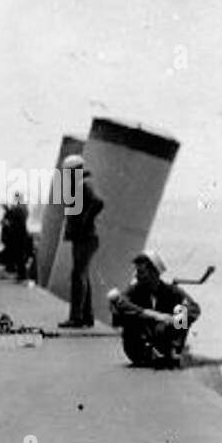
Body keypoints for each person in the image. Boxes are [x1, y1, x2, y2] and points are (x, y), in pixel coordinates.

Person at [108, 250, 200, 369]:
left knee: (183, 312)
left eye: (141, 272)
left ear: (154, 272)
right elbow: (120, 304)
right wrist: (152, 315)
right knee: (127, 314)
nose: (137, 276)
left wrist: (172, 320)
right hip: (138, 350)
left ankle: (172, 352)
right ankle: (150, 353)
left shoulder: (172, 291)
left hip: (165, 345)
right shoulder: (133, 291)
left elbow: (194, 309)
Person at [59, 154, 106, 329]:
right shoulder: (82, 184)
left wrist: (85, 222)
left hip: (85, 238)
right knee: (82, 275)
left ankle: (77, 317)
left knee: (78, 276)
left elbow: (98, 202)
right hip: (84, 238)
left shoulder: (84, 184)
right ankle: (87, 316)